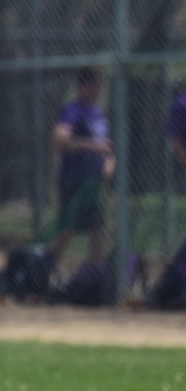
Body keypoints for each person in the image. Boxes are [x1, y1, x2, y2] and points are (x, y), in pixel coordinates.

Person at [49, 68, 114, 264]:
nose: (98, 90)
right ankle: (43, 266)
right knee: (68, 230)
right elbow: (59, 139)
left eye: (100, 86)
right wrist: (92, 146)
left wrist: (110, 162)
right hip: (74, 181)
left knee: (99, 228)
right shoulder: (73, 111)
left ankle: (95, 273)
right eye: (94, 85)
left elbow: (106, 146)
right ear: (83, 87)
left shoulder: (98, 113)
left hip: (93, 182)